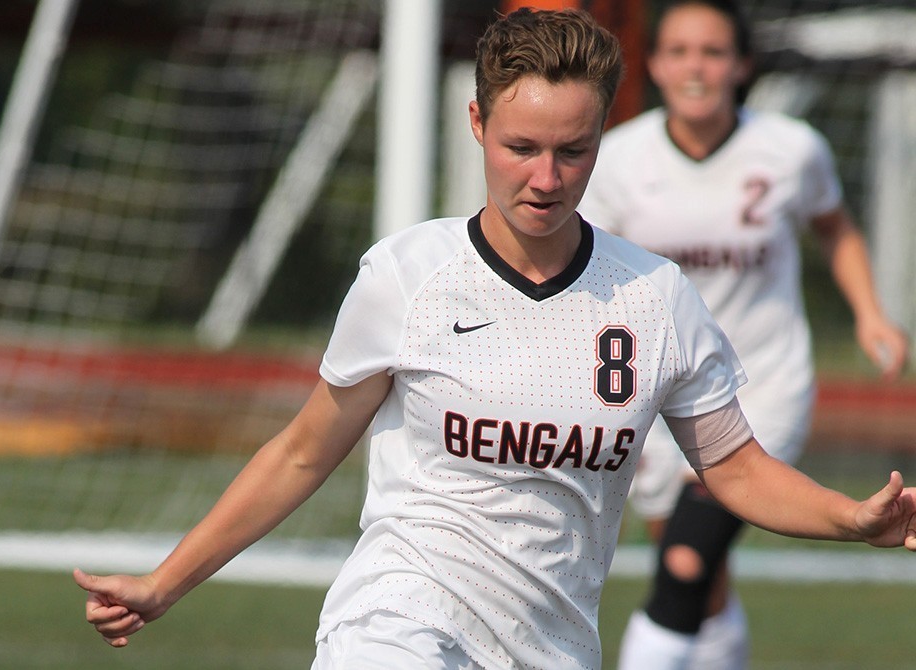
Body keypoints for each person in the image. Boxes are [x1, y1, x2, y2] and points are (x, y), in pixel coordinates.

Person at [75, 8, 916, 670]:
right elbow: (302, 452)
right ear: (477, 123)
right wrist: (164, 583)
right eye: (521, 148)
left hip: (549, 644)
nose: (545, 179)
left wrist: (852, 517)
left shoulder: (656, 299)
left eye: (572, 152)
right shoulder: (407, 276)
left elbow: (735, 467)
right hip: (397, 618)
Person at [576, 1, 911, 668]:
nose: (694, 67)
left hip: (764, 384)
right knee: (705, 576)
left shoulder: (791, 150)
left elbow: (834, 227)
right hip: (662, 392)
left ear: (742, 64)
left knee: (685, 560)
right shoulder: (616, 160)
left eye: (712, 51)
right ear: (655, 64)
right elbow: (591, 272)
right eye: (678, 51)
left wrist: (871, 313)